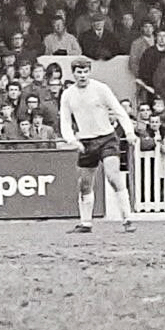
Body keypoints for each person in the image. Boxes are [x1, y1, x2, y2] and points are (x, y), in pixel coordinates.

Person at [59, 56, 138, 234]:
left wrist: (129, 132)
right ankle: (86, 223)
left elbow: (118, 110)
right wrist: (72, 140)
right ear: (73, 73)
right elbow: (65, 120)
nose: (82, 75)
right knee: (85, 184)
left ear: (89, 72)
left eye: (85, 72)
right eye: (79, 72)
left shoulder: (101, 88)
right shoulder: (68, 95)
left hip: (106, 138)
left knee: (113, 176)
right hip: (86, 142)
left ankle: (127, 219)